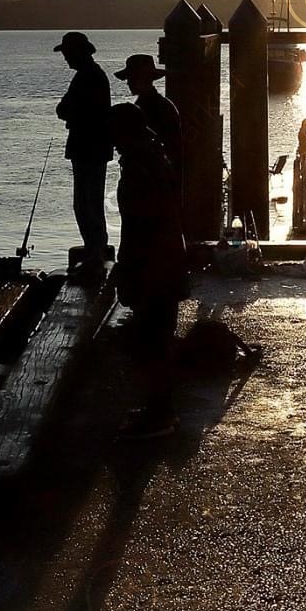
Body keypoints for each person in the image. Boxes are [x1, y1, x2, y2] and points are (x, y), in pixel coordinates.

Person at [108, 103, 186, 438]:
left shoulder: (139, 167)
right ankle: (160, 409)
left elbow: (138, 227)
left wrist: (127, 269)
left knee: (150, 340)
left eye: (114, 134)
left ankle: (158, 416)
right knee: (159, 338)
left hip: (153, 266)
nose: (111, 141)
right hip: (168, 260)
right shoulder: (156, 156)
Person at [55, 31, 113, 264]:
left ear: (78, 52)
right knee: (87, 202)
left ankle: (95, 251)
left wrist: (71, 114)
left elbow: (65, 109)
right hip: (91, 148)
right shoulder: (90, 75)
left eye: (67, 53)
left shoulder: (88, 77)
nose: (65, 58)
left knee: (87, 202)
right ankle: (95, 249)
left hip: (89, 149)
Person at [115, 54, 181, 182]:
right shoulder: (160, 104)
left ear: (143, 79)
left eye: (132, 78)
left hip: (153, 176)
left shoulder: (150, 107)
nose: (128, 82)